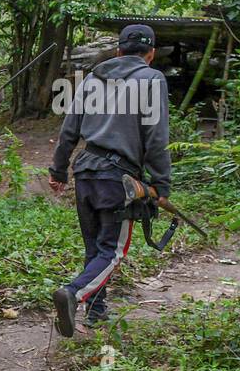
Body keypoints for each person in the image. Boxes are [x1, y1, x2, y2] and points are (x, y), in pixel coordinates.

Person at [48, 23, 172, 336]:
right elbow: (156, 138)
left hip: (85, 170)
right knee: (112, 251)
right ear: (151, 54)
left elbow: (69, 129)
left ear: (118, 51)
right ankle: (73, 293)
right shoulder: (152, 79)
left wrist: (59, 170)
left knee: (95, 247)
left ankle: (96, 309)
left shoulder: (92, 78)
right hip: (119, 178)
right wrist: (162, 183)